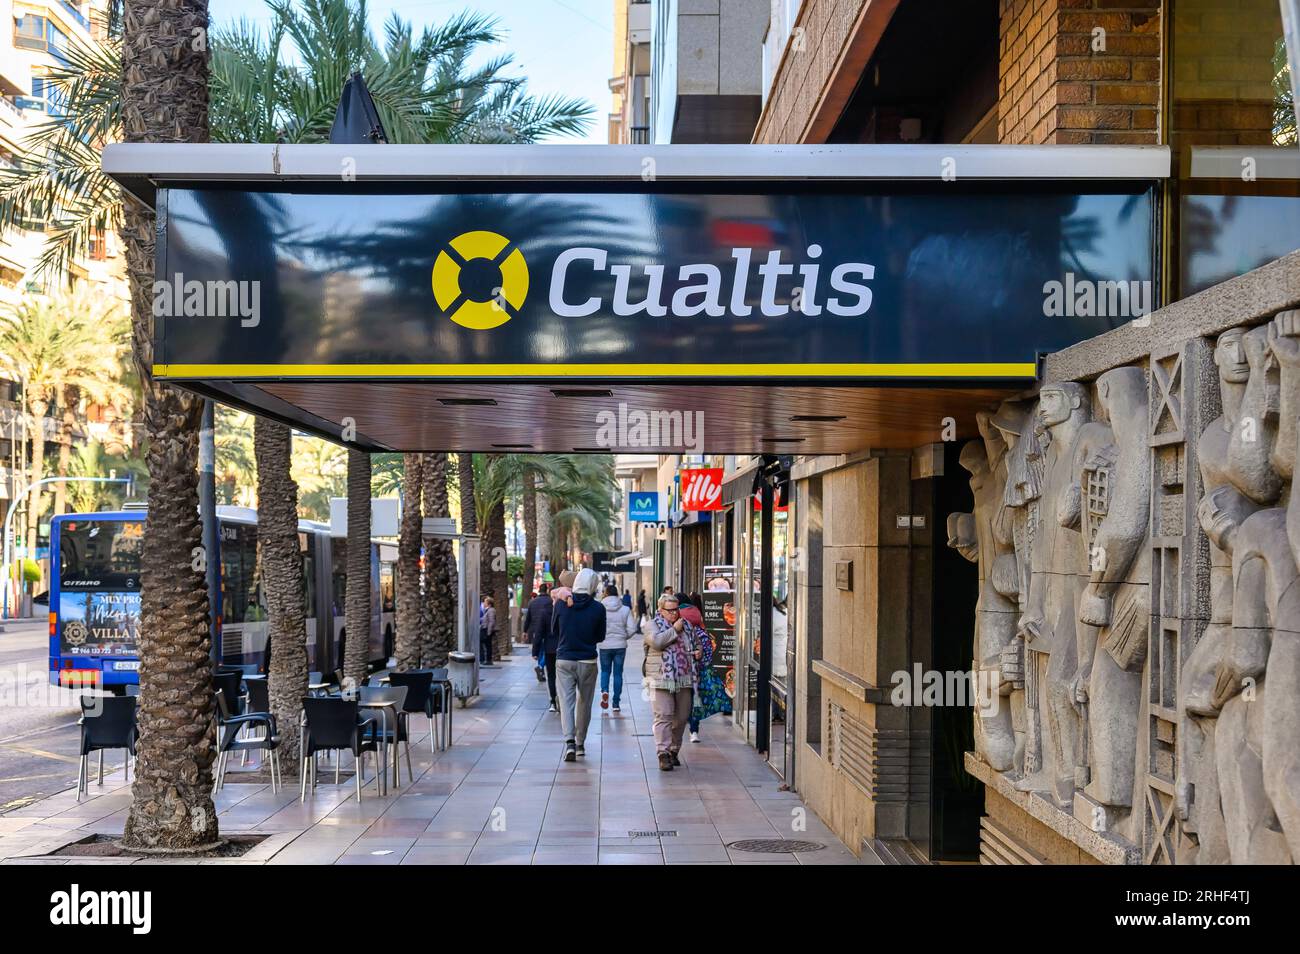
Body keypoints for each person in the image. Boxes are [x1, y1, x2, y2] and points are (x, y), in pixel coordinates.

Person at [643, 593, 700, 771]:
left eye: (676, 610)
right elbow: (657, 642)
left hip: (684, 677)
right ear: (661, 610)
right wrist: (674, 630)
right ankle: (663, 753)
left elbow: (696, 643)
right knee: (664, 715)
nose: (674, 613)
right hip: (660, 678)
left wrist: (698, 651)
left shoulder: (687, 626)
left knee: (682, 717)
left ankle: (674, 750)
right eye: (670, 610)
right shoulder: (652, 625)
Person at [555, 568, 605, 761]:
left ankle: (569, 742)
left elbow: (555, 628)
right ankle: (580, 743)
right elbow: (600, 637)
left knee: (566, 702)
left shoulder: (561, 605)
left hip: (564, 659)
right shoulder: (598, 608)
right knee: (584, 702)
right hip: (588, 660)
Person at [599, 584, 635, 713]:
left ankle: (604, 691)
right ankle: (615, 703)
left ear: (606, 593)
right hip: (620, 645)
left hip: (604, 645)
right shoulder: (625, 609)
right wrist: (623, 636)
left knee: (605, 671)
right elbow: (632, 628)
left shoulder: (600, 608)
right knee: (618, 673)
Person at [526, 583, 554, 690]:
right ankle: (541, 666)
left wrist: (525, 630)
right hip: (547, 630)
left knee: (539, 649)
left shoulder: (533, 602)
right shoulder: (550, 601)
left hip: (535, 630)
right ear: (546, 590)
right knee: (546, 650)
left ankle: (540, 667)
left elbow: (528, 617)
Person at [479, 595, 497, 666]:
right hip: (485, 629)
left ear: (489, 603)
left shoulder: (491, 610)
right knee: (487, 645)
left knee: (483, 644)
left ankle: (484, 659)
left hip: (486, 630)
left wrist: (489, 632)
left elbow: (491, 621)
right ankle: (487, 659)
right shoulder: (488, 610)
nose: (484, 603)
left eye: (486, 602)